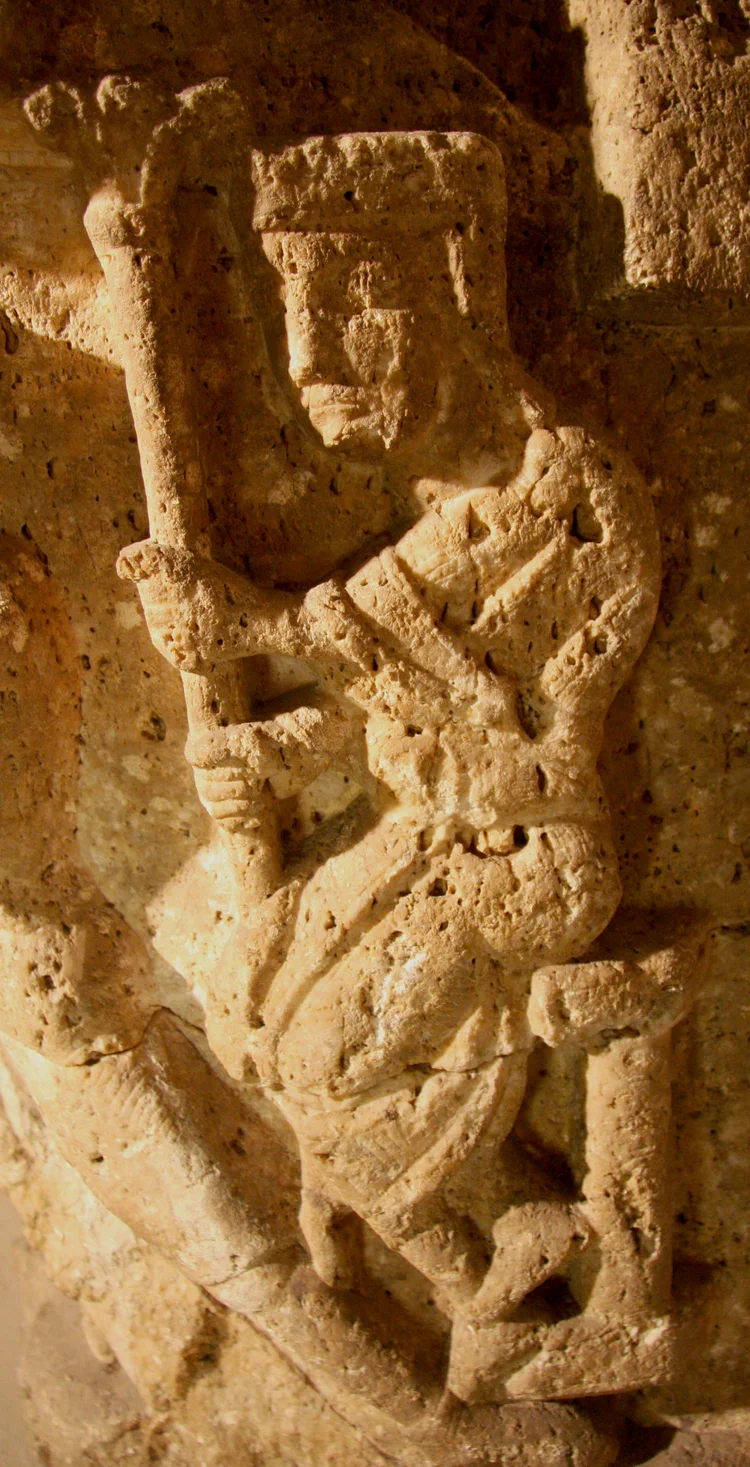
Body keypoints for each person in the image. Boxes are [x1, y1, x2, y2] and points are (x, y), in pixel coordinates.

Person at [119, 131, 665, 1346]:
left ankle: (490, 1256)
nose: (311, 356)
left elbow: (459, 688)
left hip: (526, 861)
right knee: (234, 974)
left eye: (357, 301)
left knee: (318, 1054)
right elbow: (397, 684)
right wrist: (279, 751)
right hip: (434, 841)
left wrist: (253, 622)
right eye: (295, 311)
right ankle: (482, 1242)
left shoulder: (562, 498)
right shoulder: (449, 506)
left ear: (459, 283)